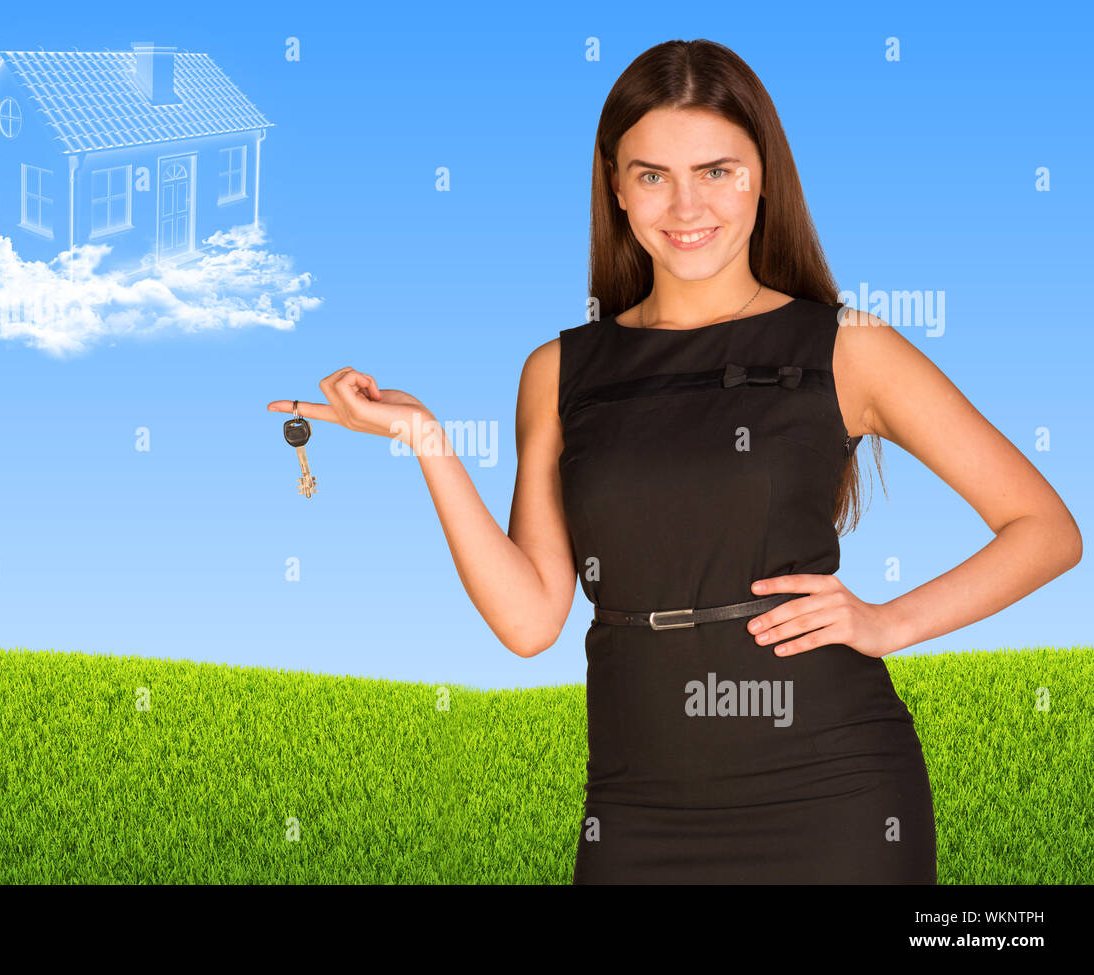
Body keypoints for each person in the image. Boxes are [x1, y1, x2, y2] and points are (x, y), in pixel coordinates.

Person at [266, 38, 1082, 883]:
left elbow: (1047, 530)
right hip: (634, 808)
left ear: (763, 175)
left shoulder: (848, 347)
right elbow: (529, 619)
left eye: (717, 171)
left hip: (834, 792)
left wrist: (890, 622)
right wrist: (427, 441)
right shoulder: (557, 371)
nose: (686, 205)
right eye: (652, 174)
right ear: (615, 187)